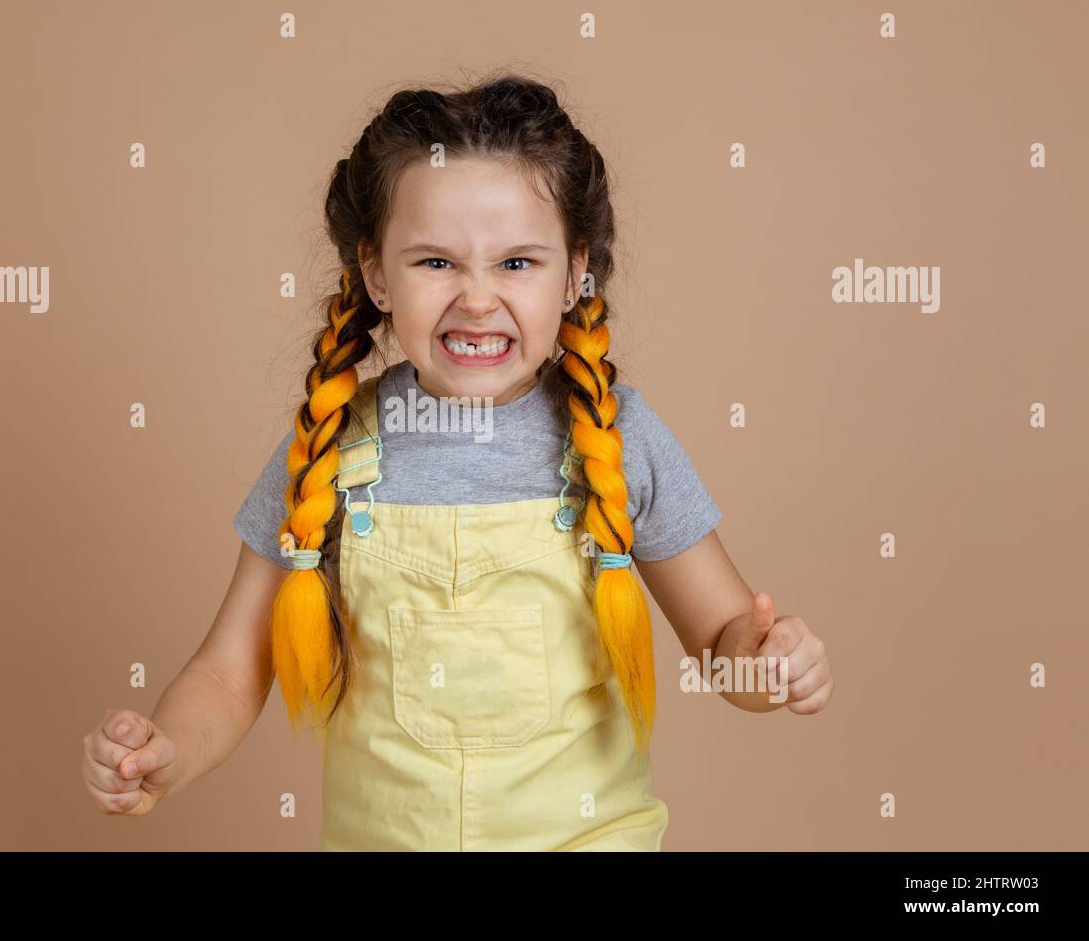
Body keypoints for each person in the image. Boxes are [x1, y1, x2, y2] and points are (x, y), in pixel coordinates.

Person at [80, 73, 835, 850]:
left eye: (517, 264)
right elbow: (231, 671)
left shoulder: (617, 436)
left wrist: (763, 664)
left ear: (577, 273)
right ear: (376, 274)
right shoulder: (326, 446)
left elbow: (718, 635)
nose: (477, 299)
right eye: (436, 262)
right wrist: (164, 751)